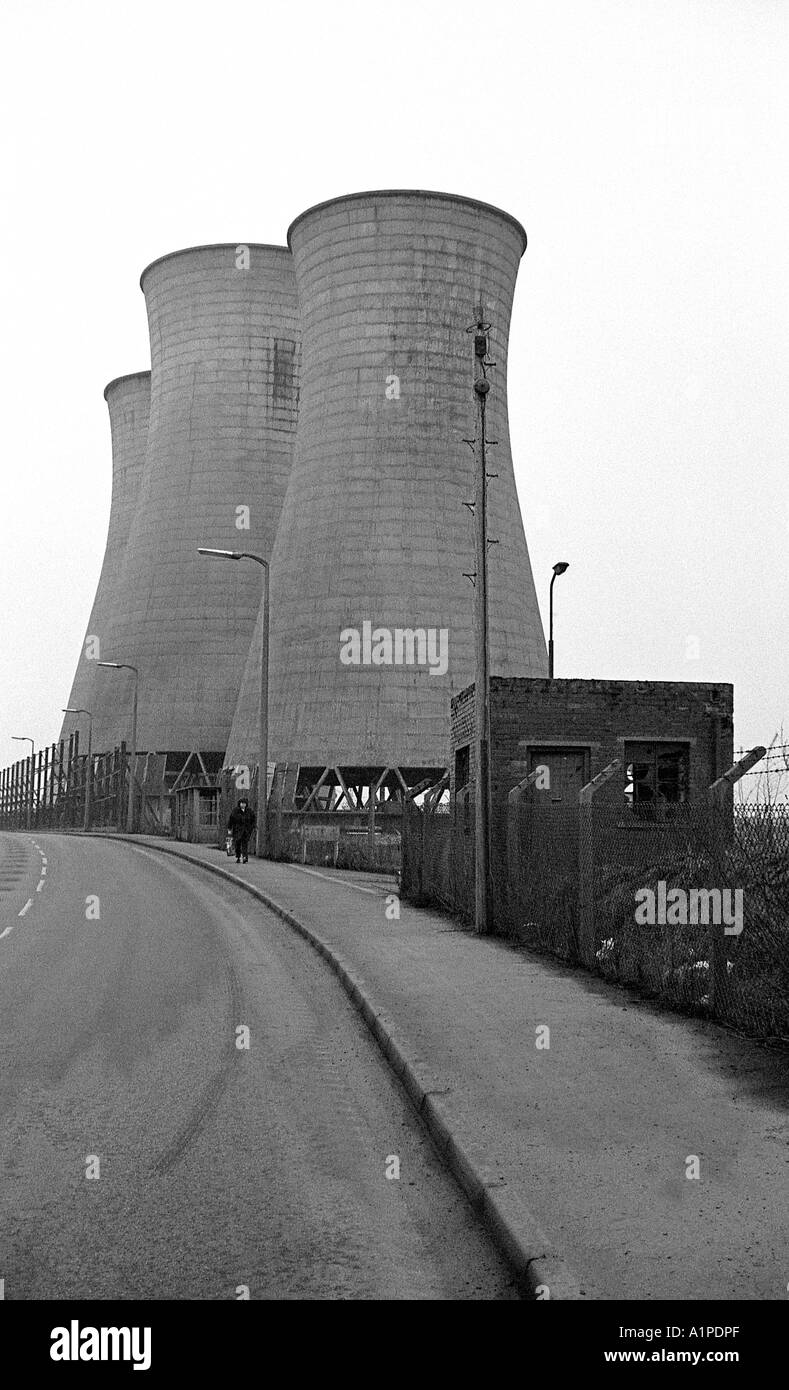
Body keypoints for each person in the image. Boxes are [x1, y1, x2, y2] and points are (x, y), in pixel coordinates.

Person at [227, 797, 256, 863]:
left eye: (244, 803)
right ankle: (238, 856)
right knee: (238, 844)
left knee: (245, 844)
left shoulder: (249, 811)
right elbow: (231, 820)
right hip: (237, 830)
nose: (243, 805)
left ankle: (245, 857)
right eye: (242, 803)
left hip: (246, 831)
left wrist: (251, 827)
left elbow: (253, 819)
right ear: (239, 804)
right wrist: (229, 828)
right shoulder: (235, 811)